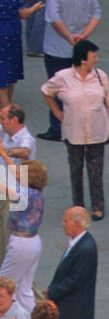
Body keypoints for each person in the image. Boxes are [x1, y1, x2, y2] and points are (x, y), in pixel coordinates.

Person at [42, 41, 109, 218]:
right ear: (82, 58)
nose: (96, 59)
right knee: (75, 168)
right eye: (93, 56)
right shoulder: (63, 77)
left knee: (96, 169)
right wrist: (56, 111)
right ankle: (78, 205)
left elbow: (107, 100)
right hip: (74, 131)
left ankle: (97, 206)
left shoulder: (100, 75)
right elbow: (46, 91)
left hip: (97, 130)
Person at [46, 207, 98, 319]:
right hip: (69, 309)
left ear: (77, 224)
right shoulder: (78, 243)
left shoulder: (85, 248)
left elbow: (75, 280)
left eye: (66, 221)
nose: (63, 224)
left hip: (74, 312)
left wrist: (52, 292)